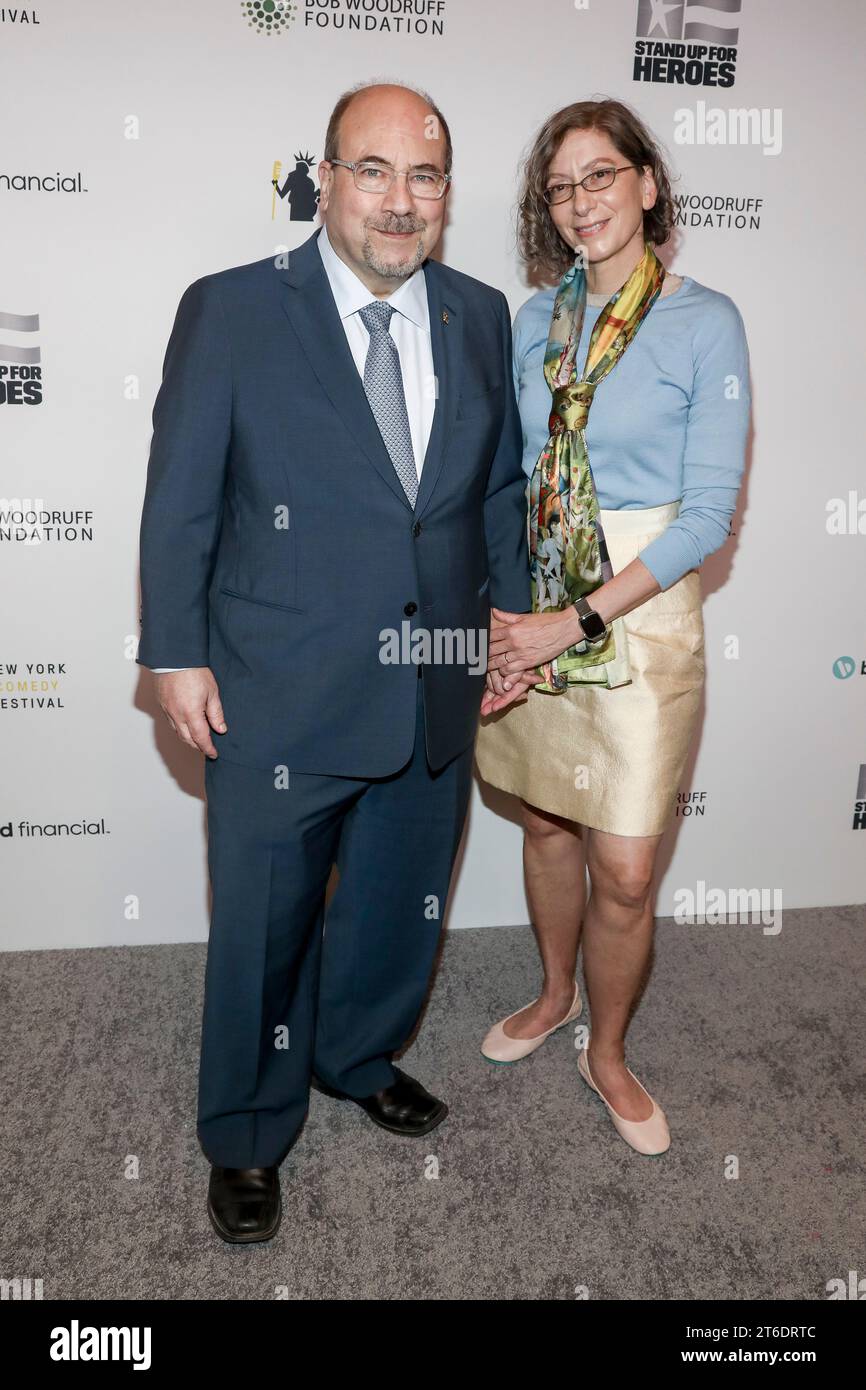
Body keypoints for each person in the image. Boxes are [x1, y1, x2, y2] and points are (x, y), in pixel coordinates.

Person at [137, 80, 530, 1241]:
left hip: (434, 675)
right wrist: (174, 651)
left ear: (446, 195)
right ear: (325, 178)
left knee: (395, 917)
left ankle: (353, 1054)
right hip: (277, 681)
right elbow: (181, 502)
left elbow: (492, 490)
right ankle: (249, 1129)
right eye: (373, 171)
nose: (399, 202)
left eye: (424, 176)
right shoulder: (232, 309)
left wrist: (504, 626)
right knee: (263, 923)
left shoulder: (477, 312)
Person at [474, 98, 750, 1156]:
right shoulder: (531, 321)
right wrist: (513, 621)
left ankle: (609, 1046)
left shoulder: (703, 320)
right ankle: (551, 997)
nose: (579, 200)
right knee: (545, 822)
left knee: (625, 865)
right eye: (559, 186)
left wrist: (575, 619)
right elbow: (510, 477)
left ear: (645, 184)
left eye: (599, 175)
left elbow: (708, 516)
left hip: (636, 618)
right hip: (537, 603)